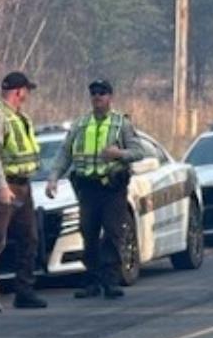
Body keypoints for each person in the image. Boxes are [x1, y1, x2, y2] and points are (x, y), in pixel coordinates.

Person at [46, 80, 150, 300]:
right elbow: (65, 153)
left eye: (102, 93)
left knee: (113, 232)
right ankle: (92, 280)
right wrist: (54, 177)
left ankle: (110, 280)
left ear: (110, 96)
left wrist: (119, 154)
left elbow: (138, 151)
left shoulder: (121, 124)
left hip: (112, 188)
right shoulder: (80, 125)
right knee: (88, 233)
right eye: (93, 93)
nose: (97, 97)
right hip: (88, 189)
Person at [0, 72, 48, 313]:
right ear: (19, 92)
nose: (27, 95)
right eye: (26, 90)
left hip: (23, 186)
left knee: (30, 238)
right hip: (5, 186)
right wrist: (1, 187)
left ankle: (24, 292)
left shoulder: (20, 117)